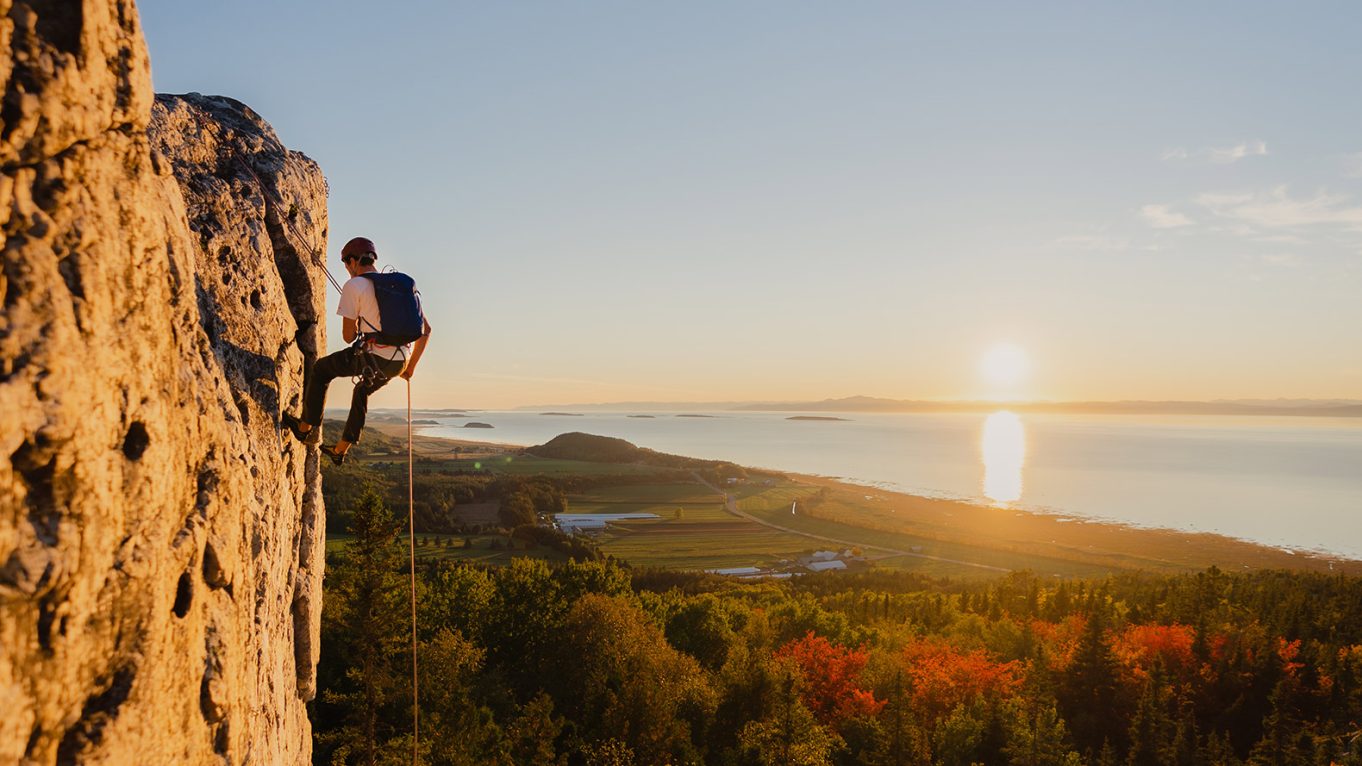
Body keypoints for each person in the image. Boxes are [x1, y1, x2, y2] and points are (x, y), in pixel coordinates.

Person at [282, 236, 431, 464]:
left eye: (346, 264)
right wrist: (409, 369)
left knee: (322, 370)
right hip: (400, 360)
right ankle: (340, 449)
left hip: (375, 359)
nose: (347, 270)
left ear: (352, 261)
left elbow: (348, 336)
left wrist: (362, 319)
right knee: (362, 390)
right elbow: (426, 330)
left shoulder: (354, 286)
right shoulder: (398, 289)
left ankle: (304, 428)